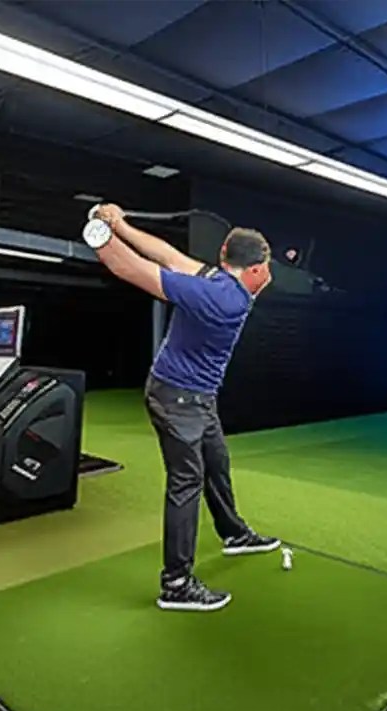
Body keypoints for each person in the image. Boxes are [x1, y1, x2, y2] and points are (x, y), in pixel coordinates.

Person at [90, 204, 280, 612]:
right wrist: (103, 239)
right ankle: (176, 582)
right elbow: (134, 270)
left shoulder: (217, 281)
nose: (271, 275)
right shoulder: (223, 298)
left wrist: (119, 224)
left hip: (197, 397)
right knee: (186, 482)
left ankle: (233, 534)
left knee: (217, 461)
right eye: (267, 267)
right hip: (177, 398)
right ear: (253, 270)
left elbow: (166, 255)